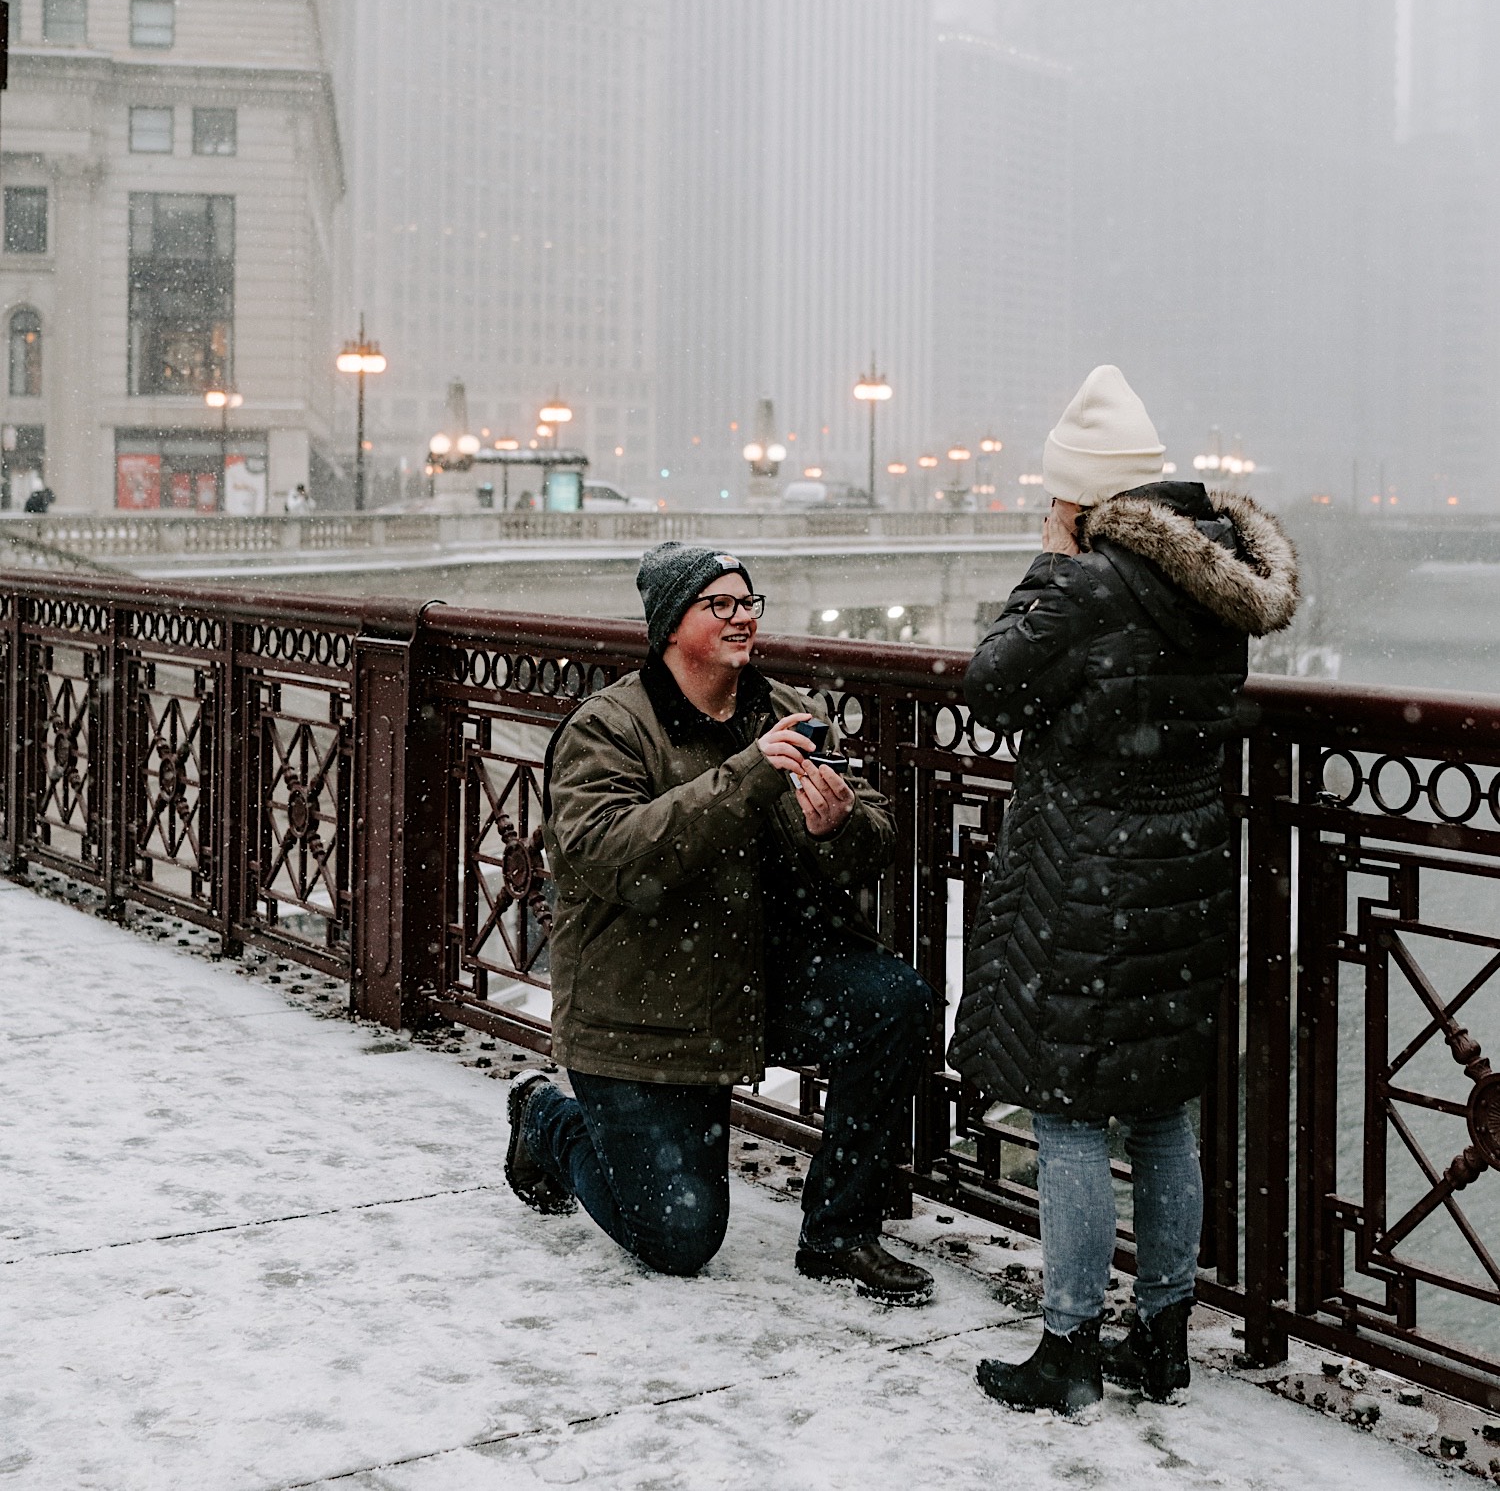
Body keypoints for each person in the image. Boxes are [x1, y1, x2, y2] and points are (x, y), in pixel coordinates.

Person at [951, 365, 1298, 1413]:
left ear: (1082, 494)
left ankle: (1067, 1348)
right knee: (1160, 1112)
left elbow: (991, 685)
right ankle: (1161, 1336)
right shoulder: (1211, 580)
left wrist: (1047, 560)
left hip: (1088, 872)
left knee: (1067, 1108)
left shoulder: (1087, 581)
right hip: (1184, 870)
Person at [505, 540, 936, 1302]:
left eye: (749, 603)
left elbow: (871, 829)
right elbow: (612, 858)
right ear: (672, 625)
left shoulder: (782, 712)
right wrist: (747, 775)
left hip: (750, 984)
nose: (744, 618)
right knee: (679, 1241)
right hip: (642, 1011)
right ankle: (548, 1118)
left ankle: (841, 1234)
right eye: (721, 604)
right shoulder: (608, 728)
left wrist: (839, 825)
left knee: (891, 999)